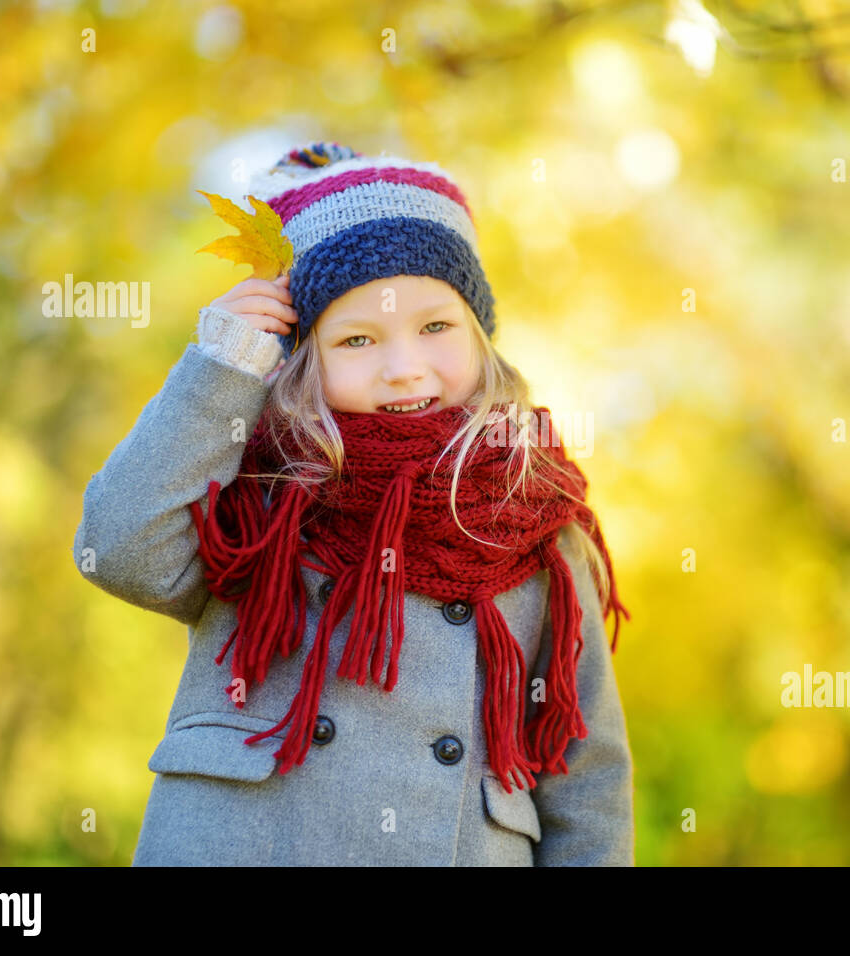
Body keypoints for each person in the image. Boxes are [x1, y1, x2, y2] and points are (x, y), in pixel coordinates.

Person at [71, 140, 634, 866]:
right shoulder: (260, 492)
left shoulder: (534, 518)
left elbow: (587, 779)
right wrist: (222, 366)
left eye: (435, 327)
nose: (404, 369)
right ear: (302, 359)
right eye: (358, 338)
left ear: (480, 336)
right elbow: (117, 547)